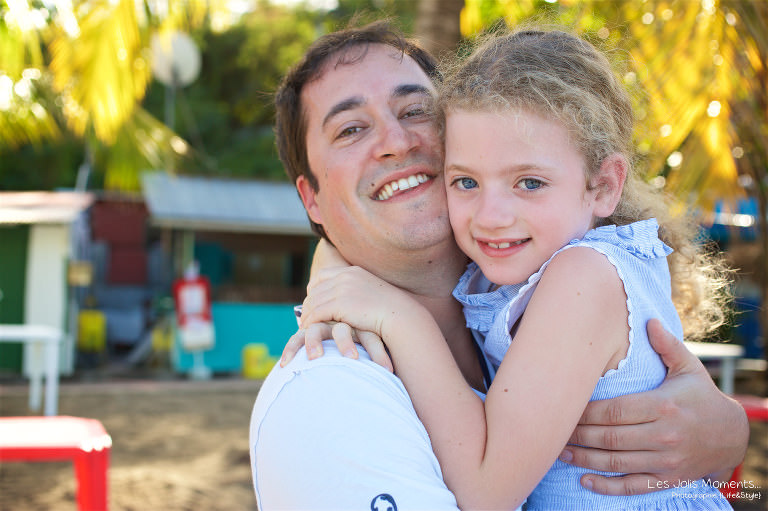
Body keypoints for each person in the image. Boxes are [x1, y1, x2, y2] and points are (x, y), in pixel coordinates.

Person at [250, 20, 748, 510]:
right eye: (351, 129)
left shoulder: (557, 277)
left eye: (416, 110)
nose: (397, 142)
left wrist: (729, 438)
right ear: (310, 199)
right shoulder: (330, 390)